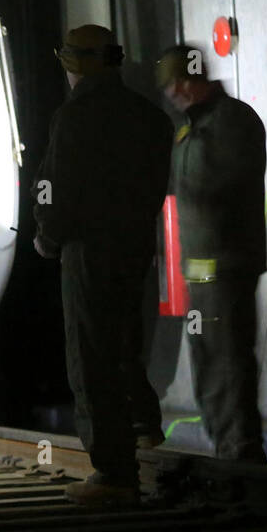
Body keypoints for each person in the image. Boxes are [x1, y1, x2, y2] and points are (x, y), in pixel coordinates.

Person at [33, 25, 174, 506]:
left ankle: (113, 472)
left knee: (91, 353)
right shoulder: (151, 118)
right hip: (134, 247)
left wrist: (47, 237)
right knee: (124, 341)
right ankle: (142, 428)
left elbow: (56, 189)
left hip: (87, 250)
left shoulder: (73, 118)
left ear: (75, 64)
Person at [155, 44, 267, 464]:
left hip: (227, 266)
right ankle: (224, 448)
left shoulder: (232, 121)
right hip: (200, 270)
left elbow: (213, 183)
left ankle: (242, 453)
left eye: (176, 84)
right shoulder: (191, 128)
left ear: (190, 82)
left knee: (229, 361)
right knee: (206, 362)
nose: (173, 94)